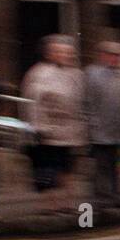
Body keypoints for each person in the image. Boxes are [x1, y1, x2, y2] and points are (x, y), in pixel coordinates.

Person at [22, 35, 87, 214]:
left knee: (68, 168)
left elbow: (82, 102)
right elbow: (32, 103)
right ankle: (48, 204)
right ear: (49, 54)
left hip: (71, 130)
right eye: (58, 51)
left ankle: (67, 202)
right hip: (48, 129)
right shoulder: (39, 73)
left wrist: (83, 127)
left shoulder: (77, 74)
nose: (64, 55)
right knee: (47, 169)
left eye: (67, 52)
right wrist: (37, 127)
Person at [85, 41, 120, 210]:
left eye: (119, 56)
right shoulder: (93, 74)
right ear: (103, 56)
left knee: (116, 165)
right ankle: (100, 197)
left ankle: (115, 195)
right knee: (101, 165)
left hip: (119, 130)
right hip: (100, 128)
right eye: (112, 55)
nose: (116, 59)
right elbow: (88, 102)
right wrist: (92, 124)